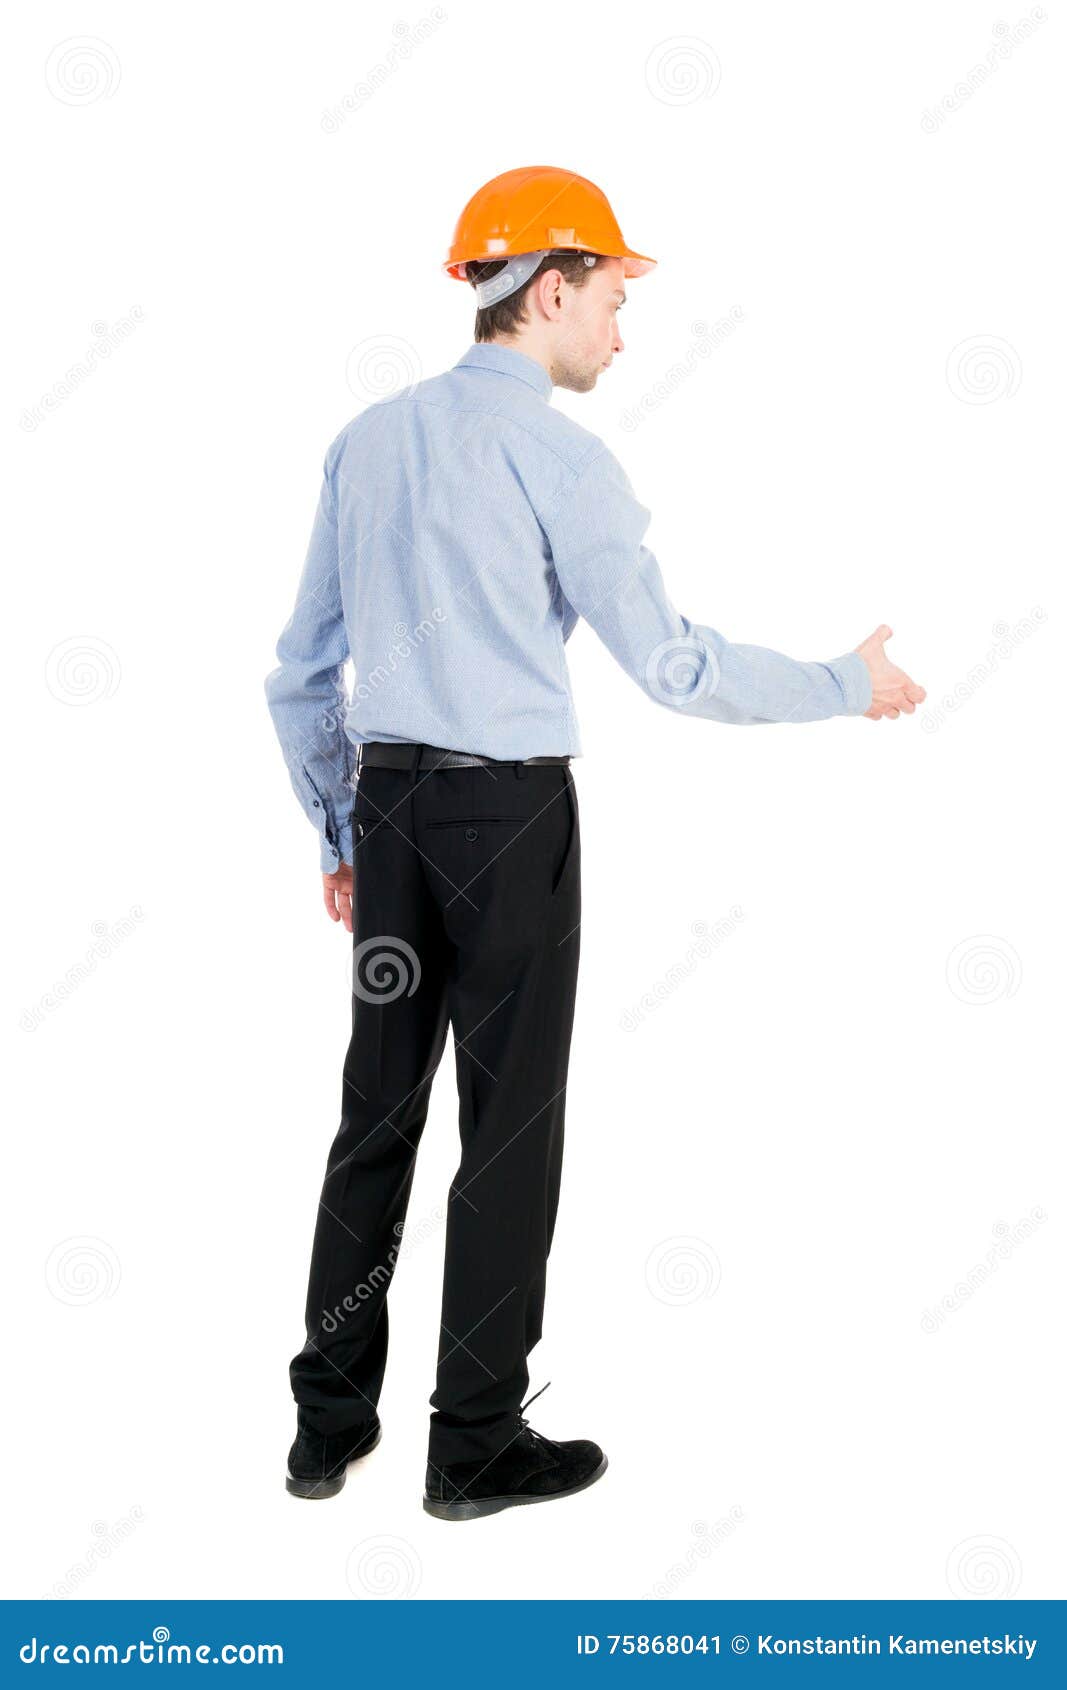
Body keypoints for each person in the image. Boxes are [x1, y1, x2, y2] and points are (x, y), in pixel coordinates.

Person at [265, 165, 925, 1521]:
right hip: (507, 824)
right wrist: (846, 683)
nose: (624, 330)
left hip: (389, 813)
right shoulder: (562, 458)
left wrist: (341, 830)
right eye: (615, 298)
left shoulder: (366, 442)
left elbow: (298, 675)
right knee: (508, 1128)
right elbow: (673, 667)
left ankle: (326, 1430)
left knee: (375, 1113)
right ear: (550, 289)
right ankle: (472, 1445)